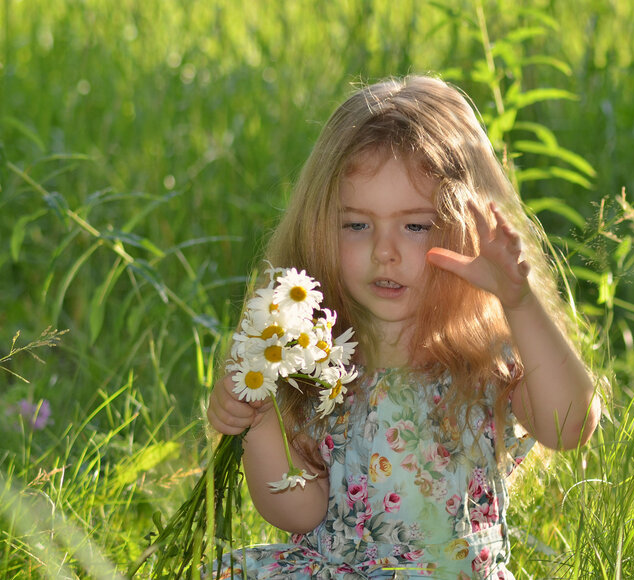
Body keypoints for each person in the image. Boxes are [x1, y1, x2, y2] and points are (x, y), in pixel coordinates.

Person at [206, 75, 601, 579]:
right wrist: (258, 419)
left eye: (415, 226)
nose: (384, 251)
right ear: (319, 227)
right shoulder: (317, 361)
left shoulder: (481, 361)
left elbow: (571, 425)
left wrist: (519, 303)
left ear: (465, 227)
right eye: (356, 224)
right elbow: (298, 511)